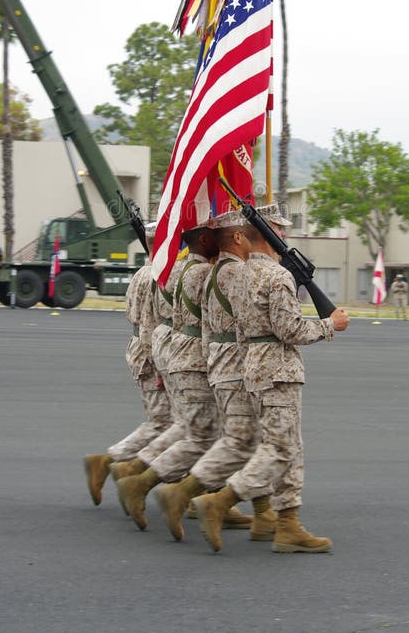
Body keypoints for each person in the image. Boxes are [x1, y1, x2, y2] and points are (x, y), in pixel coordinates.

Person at [193, 214, 350, 554]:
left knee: (286, 445)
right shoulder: (276, 276)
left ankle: (287, 524)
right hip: (277, 369)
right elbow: (289, 329)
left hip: (251, 367)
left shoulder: (240, 273)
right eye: (280, 230)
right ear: (269, 234)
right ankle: (220, 502)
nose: (283, 233)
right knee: (280, 448)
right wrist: (329, 325)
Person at [117, 223, 251, 532]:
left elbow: (159, 319)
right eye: (217, 237)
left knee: (197, 431)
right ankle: (145, 480)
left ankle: (191, 492)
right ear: (204, 239)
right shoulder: (202, 273)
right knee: (201, 435)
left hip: (172, 351)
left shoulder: (174, 270)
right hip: (194, 359)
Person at [156, 209, 276, 543]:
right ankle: (170, 487)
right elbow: (258, 323)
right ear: (239, 236)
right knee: (241, 440)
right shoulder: (235, 273)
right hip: (236, 364)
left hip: (215, 361)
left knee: (242, 438)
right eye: (272, 230)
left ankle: (262, 512)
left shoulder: (209, 271)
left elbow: (206, 327)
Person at [82, 222, 175, 505]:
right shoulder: (156, 276)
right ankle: (110, 461)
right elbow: (150, 325)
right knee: (164, 423)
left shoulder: (141, 273)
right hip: (151, 354)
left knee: (171, 423)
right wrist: (160, 366)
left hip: (141, 351)